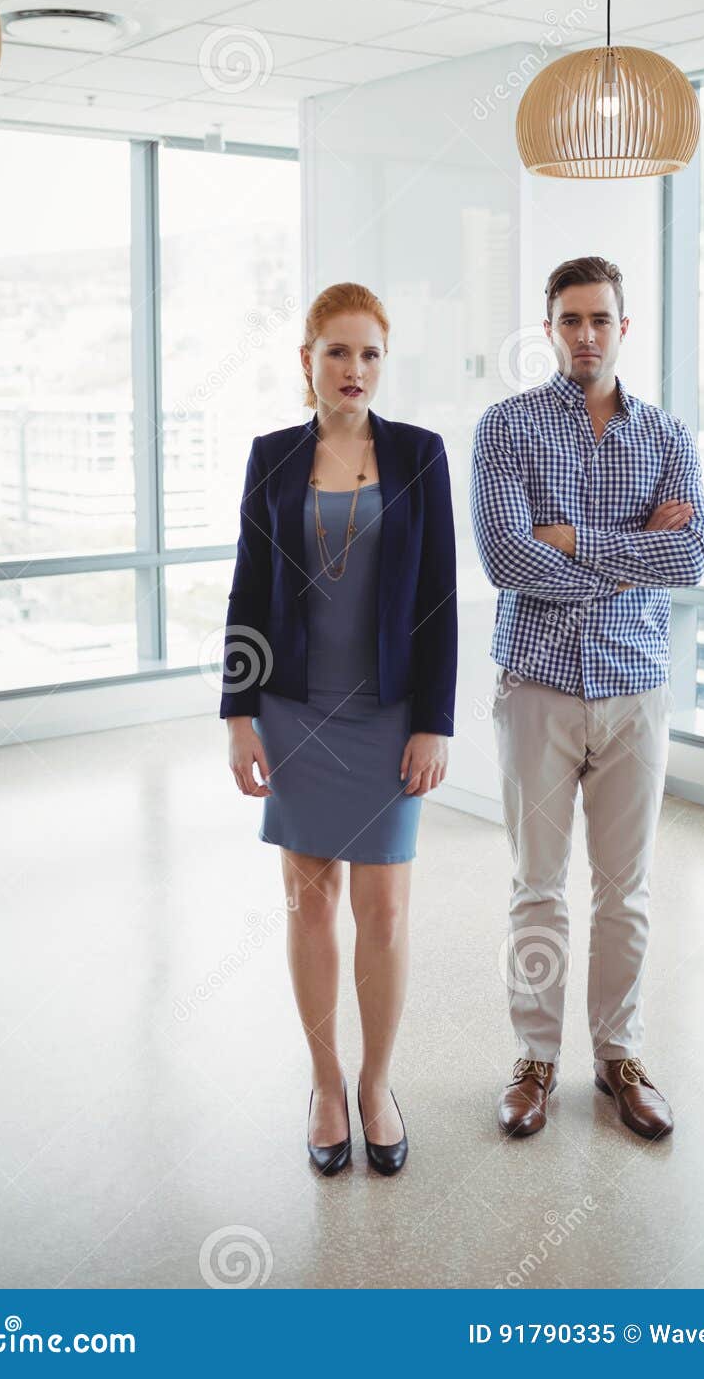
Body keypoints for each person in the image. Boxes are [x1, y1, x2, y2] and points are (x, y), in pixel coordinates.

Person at [471, 255, 704, 1143]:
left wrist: (572, 544)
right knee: (537, 887)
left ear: (623, 327)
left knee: (627, 891)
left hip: (635, 686)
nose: (584, 335)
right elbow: (505, 559)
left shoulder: (669, 437)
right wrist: (628, 549)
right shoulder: (504, 428)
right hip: (535, 684)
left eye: (599, 319)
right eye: (568, 320)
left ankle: (620, 1057)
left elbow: (688, 559)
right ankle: (534, 1061)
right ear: (547, 329)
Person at [221, 281, 457, 1177]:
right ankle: (324, 1083)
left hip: (390, 713)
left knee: (385, 908)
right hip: (293, 710)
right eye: (336, 352)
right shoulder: (272, 458)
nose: (353, 370)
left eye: (369, 355)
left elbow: (437, 603)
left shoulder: (421, 456)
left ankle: (375, 1084)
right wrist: (238, 714)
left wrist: (432, 723)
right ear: (306, 360)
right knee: (309, 899)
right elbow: (248, 589)